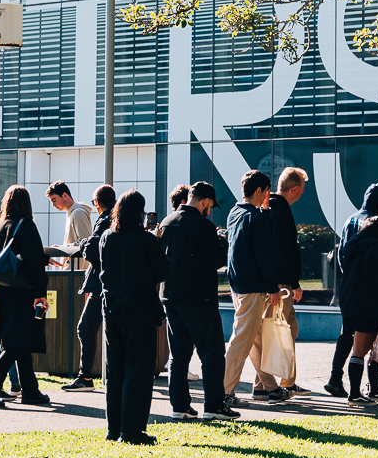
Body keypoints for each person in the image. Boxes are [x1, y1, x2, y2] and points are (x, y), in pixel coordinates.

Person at [158, 181, 238, 421]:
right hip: (199, 298)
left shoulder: (167, 222)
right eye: (210, 206)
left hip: (170, 296)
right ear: (205, 202)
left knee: (178, 354)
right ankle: (213, 405)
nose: (210, 210)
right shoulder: (203, 226)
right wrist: (222, 242)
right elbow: (216, 260)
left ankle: (179, 405)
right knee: (211, 352)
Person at [97, 189, 165, 443]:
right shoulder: (145, 240)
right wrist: (157, 239)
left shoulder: (106, 238)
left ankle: (113, 428)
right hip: (140, 310)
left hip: (112, 309)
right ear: (139, 213)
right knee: (138, 370)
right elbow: (161, 270)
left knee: (115, 370)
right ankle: (132, 429)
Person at [0, 183, 51, 408]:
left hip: (5, 289)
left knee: (21, 340)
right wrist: (40, 294)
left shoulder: (2, 225)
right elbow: (33, 262)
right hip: (25, 291)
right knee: (19, 341)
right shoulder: (26, 225)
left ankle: (30, 390)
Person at [223, 169, 284, 405]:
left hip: (237, 284)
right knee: (242, 339)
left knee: (254, 339)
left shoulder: (235, 213)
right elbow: (264, 255)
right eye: (266, 193)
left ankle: (271, 388)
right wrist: (273, 289)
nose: (266, 197)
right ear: (259, 191)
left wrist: (264, 212)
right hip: (253, 287)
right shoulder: (256, 218)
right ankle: (224, 392)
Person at [331, 183, 378, 404]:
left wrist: (351, 276)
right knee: (363, 347)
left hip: (349, 292)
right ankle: (361, 391)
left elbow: (342, 256)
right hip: (368, 297)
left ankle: (337, 379)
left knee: (347, 337)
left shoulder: (350, 221)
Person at [61, 184, 115, 391]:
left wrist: (83, 245)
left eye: (95, 202)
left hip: (100, 282)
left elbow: (92, 250)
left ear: (98, 203)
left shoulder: (103, 220)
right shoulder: (119, 218)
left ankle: (85, 378)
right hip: (113, 281)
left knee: (85, 327)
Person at [265, 167, 309, 394]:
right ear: (294, 189)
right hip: (282, 285)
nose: (302, 193)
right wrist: (294, 283)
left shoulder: (269, 206)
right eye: (301, 189)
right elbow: (284, 252)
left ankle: (273, 384)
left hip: (276, 283)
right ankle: (283, 383)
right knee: (285, 333)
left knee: (282, 332)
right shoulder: (281, 211)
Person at [46, 181, 92, 266]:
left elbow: (85, 241)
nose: (53, 205)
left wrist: (62, 248)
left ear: (65, 195)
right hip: (73, 267)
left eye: (54, 200)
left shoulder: (78, 212)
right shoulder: (72, 213)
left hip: (76, 269)